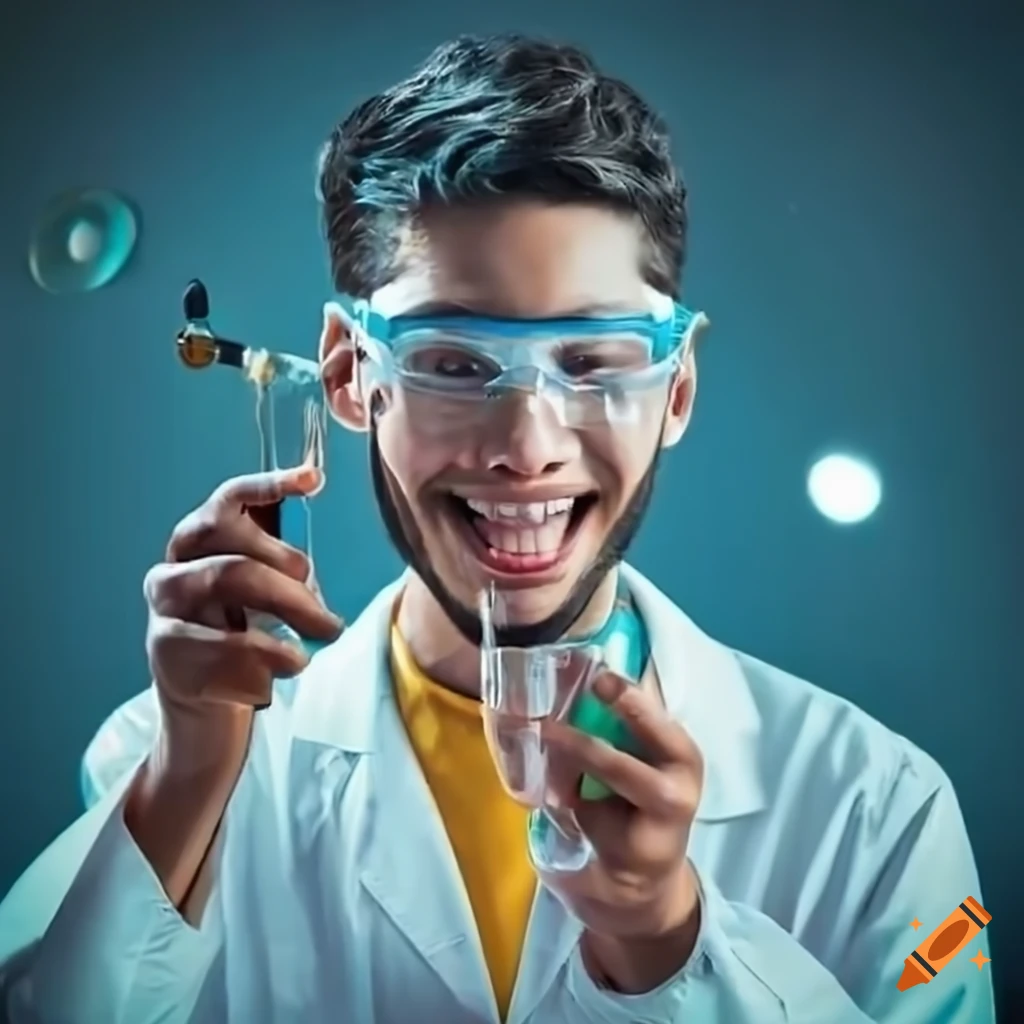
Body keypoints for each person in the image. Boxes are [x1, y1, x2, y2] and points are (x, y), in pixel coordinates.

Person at [0, 34, 995, 1024]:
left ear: (676, 388)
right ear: (350, 376)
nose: (526, 446)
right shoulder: (171, 759)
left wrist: (667, 946)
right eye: (453, 361)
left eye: (596, 360)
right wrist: (184, 790)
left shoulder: (878, 807)